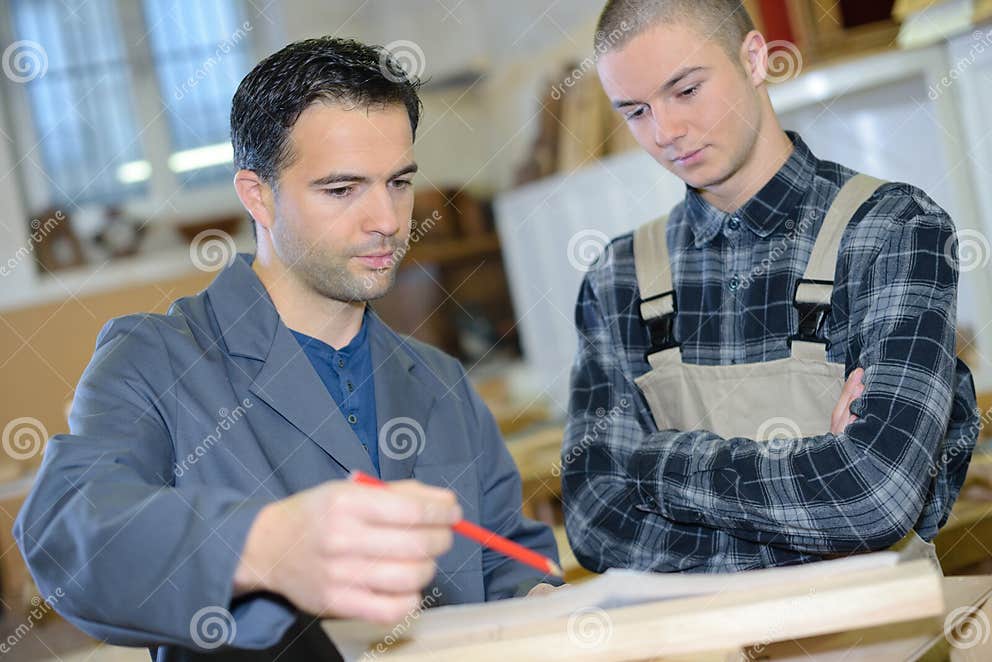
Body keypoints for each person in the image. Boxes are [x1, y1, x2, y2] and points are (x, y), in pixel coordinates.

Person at [14, 37, 558, 661]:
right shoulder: (155, 360)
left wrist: (537, 600)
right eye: (341, 189)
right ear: (258, 195)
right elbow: (68, 535)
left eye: (399, 183)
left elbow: (504, 558)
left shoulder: (440, 381)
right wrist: (265, 547)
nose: (386, 217)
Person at [562, 0, 979, 574]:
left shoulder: (894, 230)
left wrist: (654, 462)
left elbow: (874, 497)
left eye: (686, 91)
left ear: (755, 59)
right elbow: (594, 521)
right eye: (635, 111)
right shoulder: (617, 278)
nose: (666, 132)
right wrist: (821, 508)